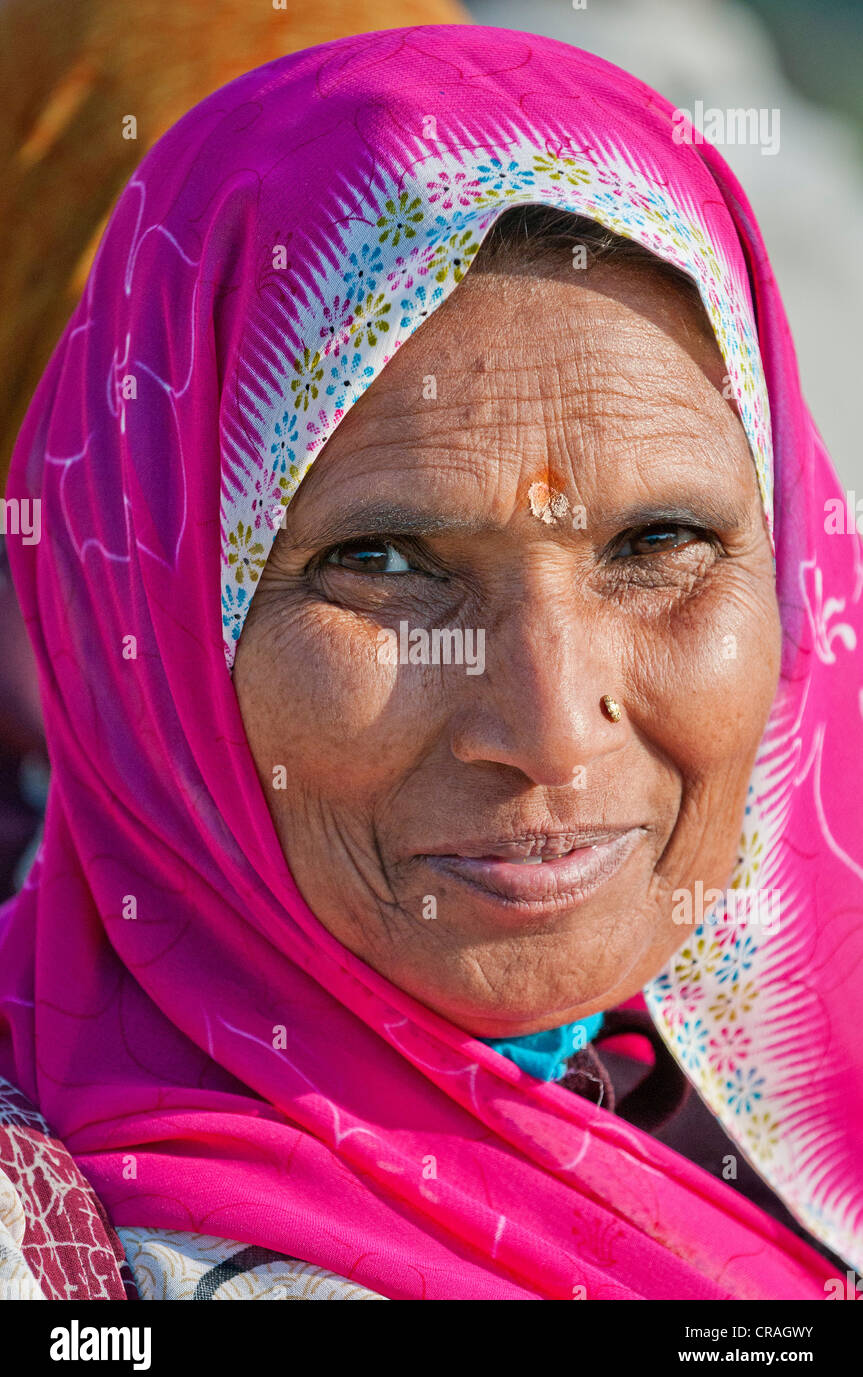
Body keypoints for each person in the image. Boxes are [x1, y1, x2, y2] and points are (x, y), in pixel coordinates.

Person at [1, 24, 860, 1301]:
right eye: (388, 562)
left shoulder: (779, 1097)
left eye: (660, 540)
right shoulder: (63, 1260)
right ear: (144, 615)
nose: (555, 727)